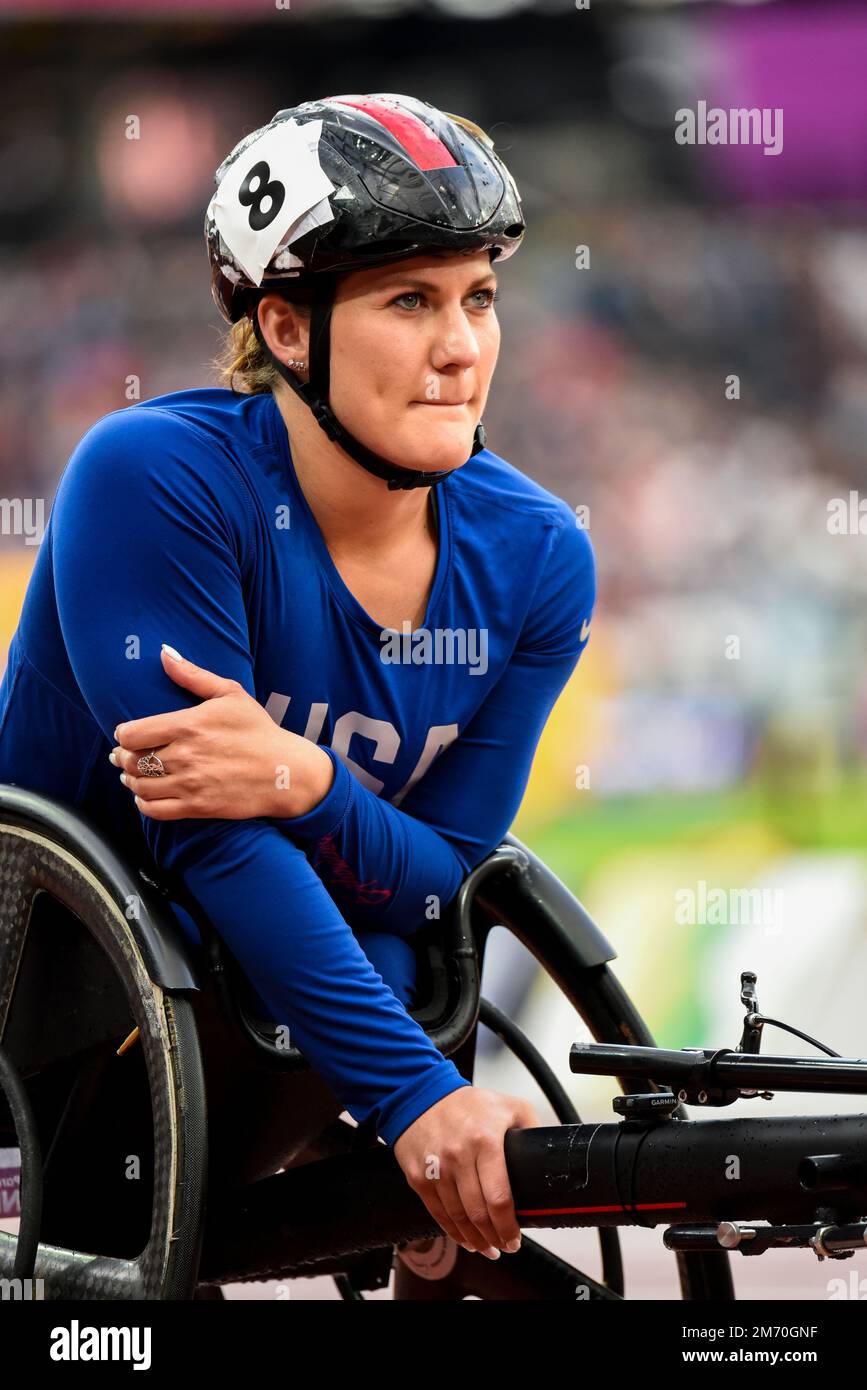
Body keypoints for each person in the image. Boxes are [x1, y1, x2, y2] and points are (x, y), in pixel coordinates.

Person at [0, 93, 595, 1263]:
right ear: (285, 327)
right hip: (45, 1032)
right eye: (410, 300)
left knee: (386, 947)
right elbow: (206, 839)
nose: (463, 346)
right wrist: (417, 1103)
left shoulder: (540, 558)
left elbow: (445, 892)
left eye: (479, 296)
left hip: (273, 1038)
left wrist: (309, 782)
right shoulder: (152, 476)